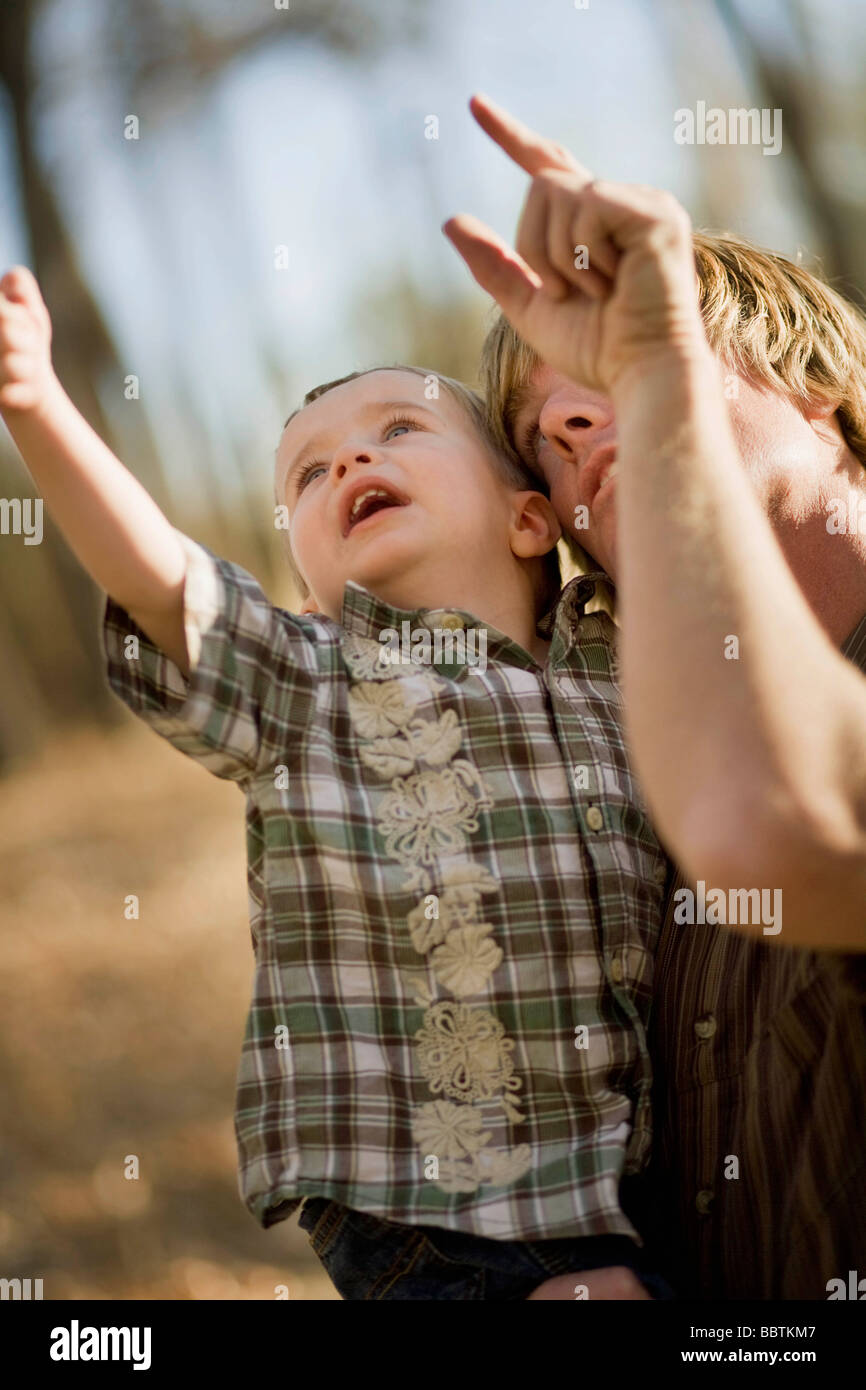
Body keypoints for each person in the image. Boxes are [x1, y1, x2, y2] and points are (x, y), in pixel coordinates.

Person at [0, 282, 674, 1299]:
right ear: (309, 588)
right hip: (430, 1209)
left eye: (398, 429)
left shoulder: (622, 665)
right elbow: (162, 580)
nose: (352, 461)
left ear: (529, 517)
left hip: (626, 1184)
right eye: (309, 474)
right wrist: (37, 403)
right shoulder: (312, 677)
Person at [446, 92, 866, 1299]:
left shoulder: (734, 787)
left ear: (814, 382)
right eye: (543, 432)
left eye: (617, 360)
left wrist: (654, 368)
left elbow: (792, 820)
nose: (576, 416)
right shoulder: (614, 801)